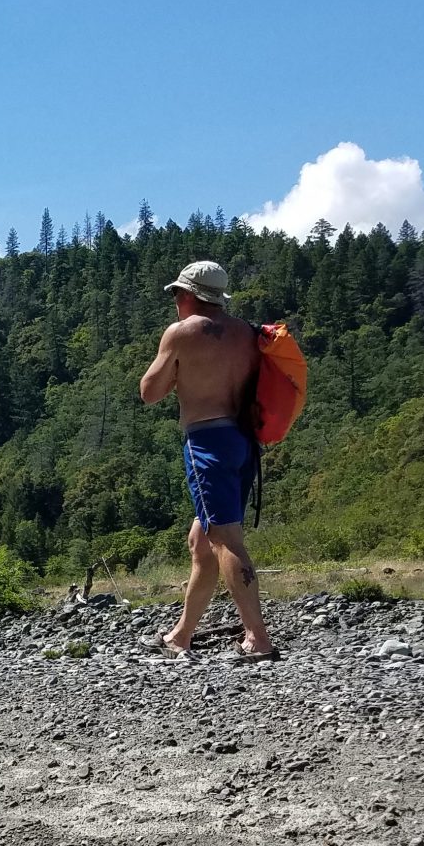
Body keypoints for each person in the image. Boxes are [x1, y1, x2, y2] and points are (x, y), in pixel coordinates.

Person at [138, 260, 277, 661]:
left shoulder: (181, 333)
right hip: (243, 442)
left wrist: (181, 368)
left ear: (189, 296)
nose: (175, 301)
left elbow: (150, 391)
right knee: (202, 540)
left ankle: (258, 638)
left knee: (225, 540)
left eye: (177, 294)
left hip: (207, 444)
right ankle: (180, 636)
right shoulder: (248, 334)